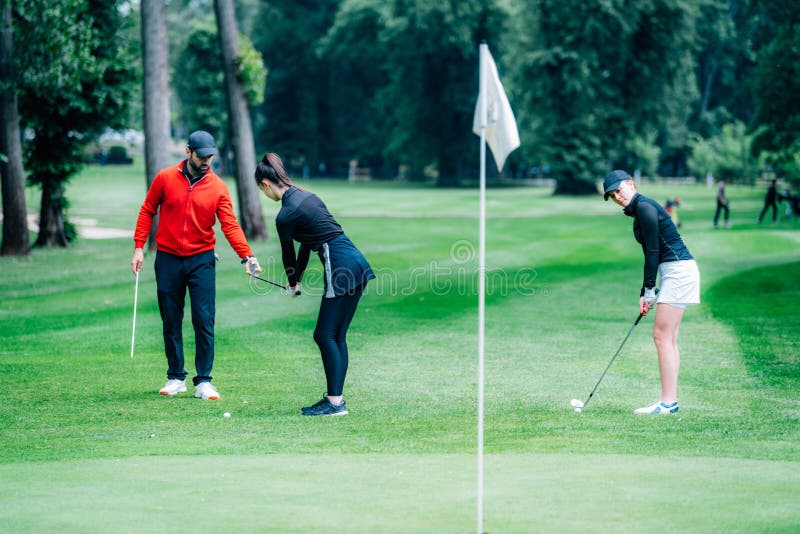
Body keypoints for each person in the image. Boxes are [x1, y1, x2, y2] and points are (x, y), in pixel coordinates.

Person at [131, 130, 262, 401]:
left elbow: (229, 224)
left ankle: (203, 381)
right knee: (171, 319)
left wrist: (246, 255)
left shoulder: (218, 187)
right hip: (167, 258)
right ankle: (176, 376)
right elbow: (147, 210)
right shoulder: (165, 178)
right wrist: (138, 248)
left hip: (201, 259)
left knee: (204, 319)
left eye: (210, 157)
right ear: (188, 152)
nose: (206, 161)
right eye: (201, 156)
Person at [254, 153, 375, 416]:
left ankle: (334, 403)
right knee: (335, 335)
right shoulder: (306, 196)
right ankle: (335, 400)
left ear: (265, 183)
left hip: (340, 266)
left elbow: (289, 252)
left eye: (262, 190)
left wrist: (292, 281)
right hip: (357, 262)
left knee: (324, 335)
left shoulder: (285, 215)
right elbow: (306, 246)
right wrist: (294, 280)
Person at [603, 170, 701, 415]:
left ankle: (668, 403)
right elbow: (650, 253)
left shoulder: (645, 207)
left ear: (631, 184)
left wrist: (649, 290)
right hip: (675, 271)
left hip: (678, 271)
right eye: (613, 195)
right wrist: (645, 291)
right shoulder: (641, 209)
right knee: (667, 338)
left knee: (662, 336)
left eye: (619, 190)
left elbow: (654, 252)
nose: (617, 197)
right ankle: (669, 401)